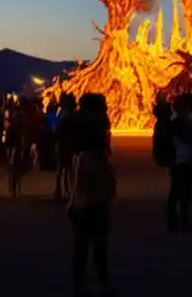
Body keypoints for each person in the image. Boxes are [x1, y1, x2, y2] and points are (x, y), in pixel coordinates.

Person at [69, 93, 115, 297]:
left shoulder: (82, 129)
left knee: (84, 243)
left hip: (91, 198)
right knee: (96, 242)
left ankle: (82, 282)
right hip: (94, 199)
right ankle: (98, 281)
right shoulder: (91, 147)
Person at [165, 93, 192, 232]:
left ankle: (175, 220)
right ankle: (181, 221)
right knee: (181, 193)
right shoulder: (180, 122)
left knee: (178, 192)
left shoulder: (184, 121)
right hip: (182, 161)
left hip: (185, 160)